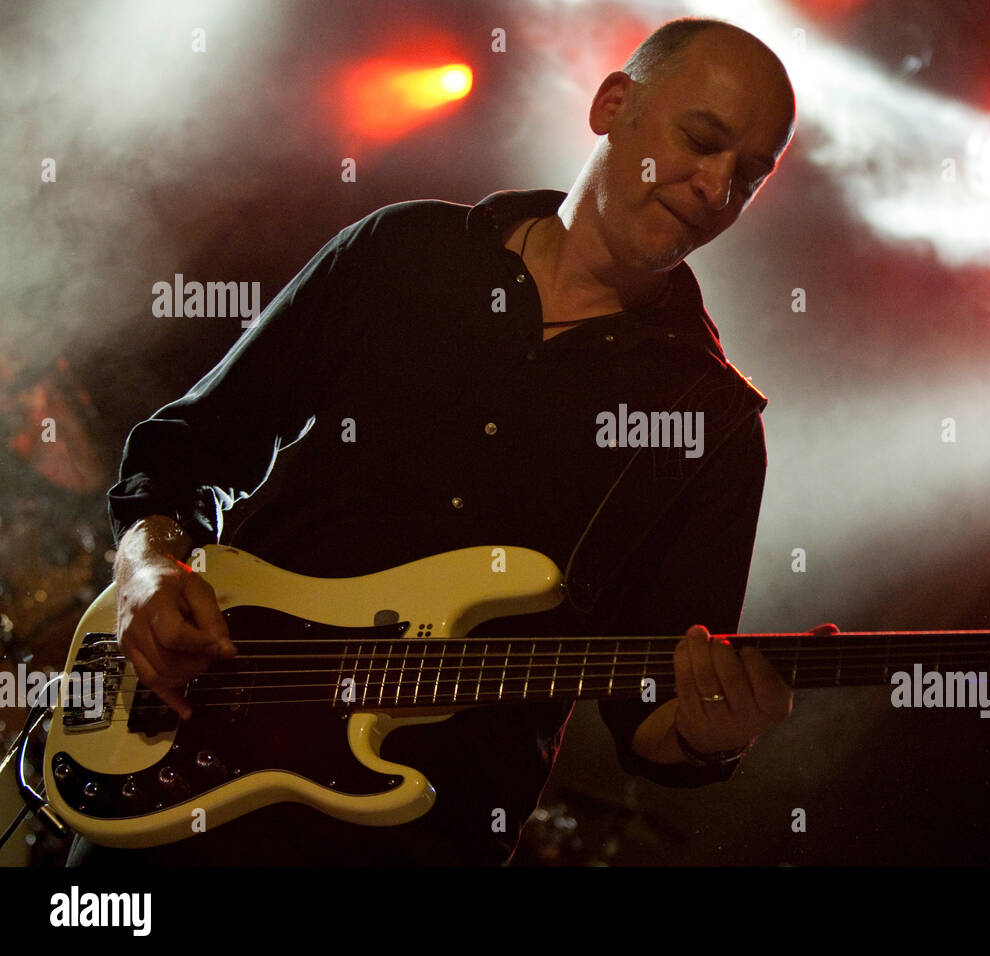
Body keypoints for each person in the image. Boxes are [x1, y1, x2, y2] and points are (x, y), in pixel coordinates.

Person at [69, 17, 815, 867]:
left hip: (416, 843)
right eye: (702, 140)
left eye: (748, 176)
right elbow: (194, 444)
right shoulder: (404, 251)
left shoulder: (711, 423)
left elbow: (650, 715)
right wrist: (149, 567)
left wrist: (709, 735)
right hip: (185, 773)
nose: (717, 188)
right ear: (613, 104)